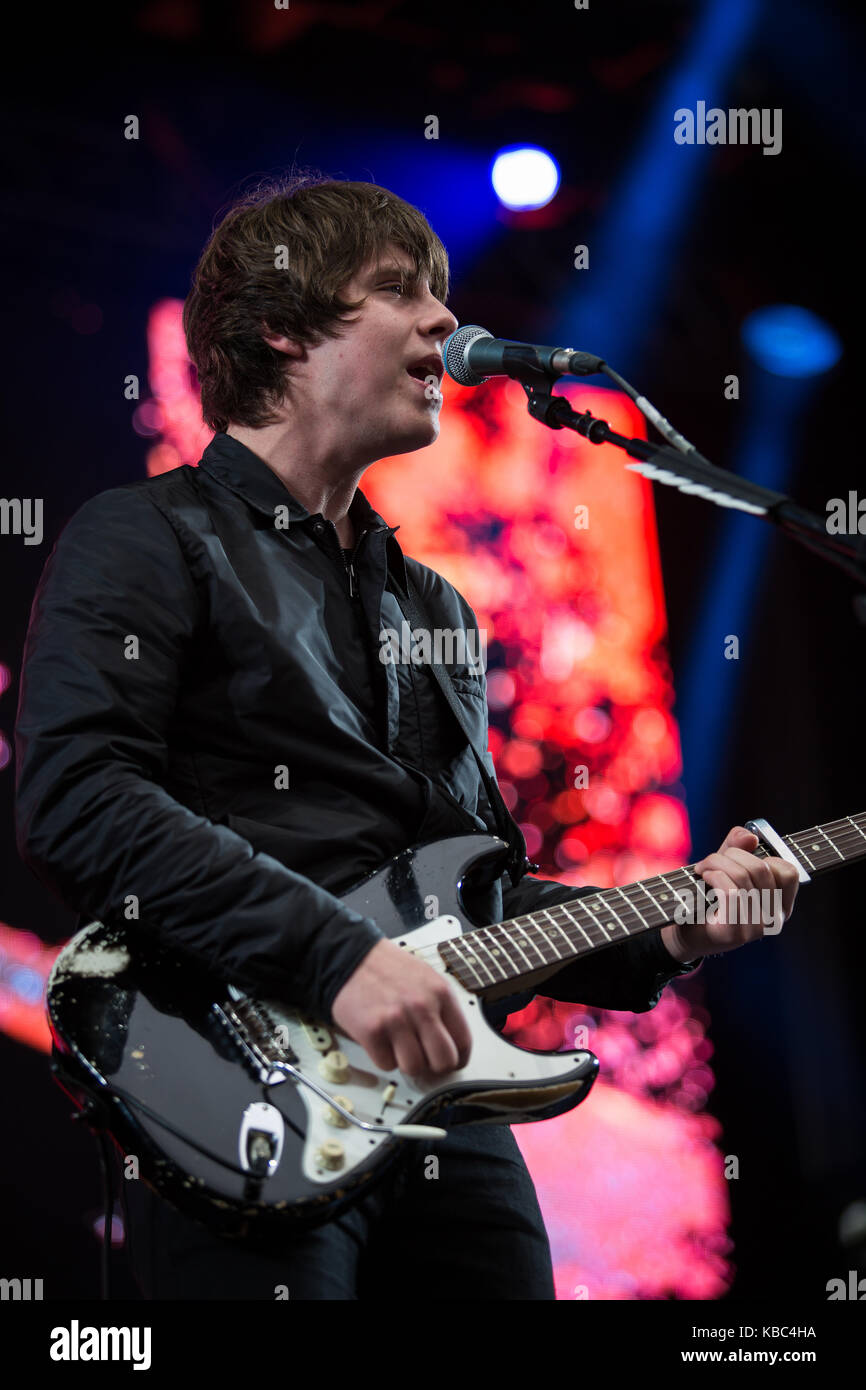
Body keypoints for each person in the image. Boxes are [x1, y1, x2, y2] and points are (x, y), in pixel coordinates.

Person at [14, 173, 800, 1300]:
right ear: (282, 325)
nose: (445, 320)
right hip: (235, 1084)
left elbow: (474, 901)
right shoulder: (145, 539)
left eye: (440, 291)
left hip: (444, 1112)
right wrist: (336, 959)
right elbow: (81, 798)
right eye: (399, 292)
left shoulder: (431, 609)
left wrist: (671, 927)